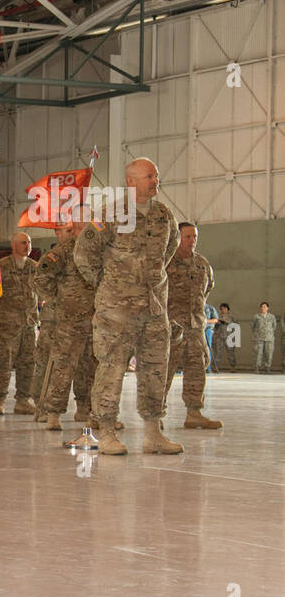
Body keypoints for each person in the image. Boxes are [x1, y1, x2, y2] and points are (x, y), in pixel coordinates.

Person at [73, 157, 183, 454]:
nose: (155, 181)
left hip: (154, 307)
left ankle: (152, 433)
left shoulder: (164, 215)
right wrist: (109, 284)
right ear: (131, 180)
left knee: (155, 369)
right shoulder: (109, 214)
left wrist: (151, 279)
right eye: (149, 176)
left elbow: (169, 250)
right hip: (116, 311)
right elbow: (84, 254)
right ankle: (106, 431)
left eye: (156, 175)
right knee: (111, 368)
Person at [33, 217, 98, 431]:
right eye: (75, 226)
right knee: (63, 367)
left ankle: (88, 410)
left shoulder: (98, 248)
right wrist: (58, 299)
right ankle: (53, 413)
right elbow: (41, 277)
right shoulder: (62, 252)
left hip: (95, 320)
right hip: (69, 321)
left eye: (84, 225)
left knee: (92, 368)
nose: (79, 230)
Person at [163, 222, 220, 429]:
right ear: (177, 238)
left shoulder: (202, 264)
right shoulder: (166, 262)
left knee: (197, 369)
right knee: (164, 371)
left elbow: (207, 289)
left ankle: (194, 412)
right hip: (171, 326)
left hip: (195, 327)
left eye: (194, 237)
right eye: (187, 237)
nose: (192, 240)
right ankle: (156, 415)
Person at [0, 231, 39, 414]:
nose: (28, 246)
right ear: (14, 245)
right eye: (24, 243)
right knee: (3, 363)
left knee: (28, 363)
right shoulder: (2, 267)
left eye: (29, 242)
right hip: (7, 324)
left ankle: (23, 400)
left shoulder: (35, 267)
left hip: (29, 323)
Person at [252, 302, 277, 372]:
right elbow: (253, 327)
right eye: (262, 307)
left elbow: (274, 326)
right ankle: (257, 368)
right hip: (259, 338)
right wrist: (257, 334)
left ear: (267, 308)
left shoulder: (272, 317)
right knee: (258, 354)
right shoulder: (256, 316)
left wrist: (268, 332)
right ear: (260, 308)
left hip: (269, 338)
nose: (263, 308)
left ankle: (267, 368)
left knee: (269, 354)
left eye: (265, 307)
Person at [211, 303, 236, 372]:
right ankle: (216, 367)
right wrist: (217, 322)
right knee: (218, 353)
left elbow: (235, 326)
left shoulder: (231, 316)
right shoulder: (217, 316)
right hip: (219, 337)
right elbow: (214, 326)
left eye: (225, 308)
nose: (223, 310)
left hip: (229, 337)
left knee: (230, 353)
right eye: (222, 309)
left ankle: (232, 367)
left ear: (227, 309)